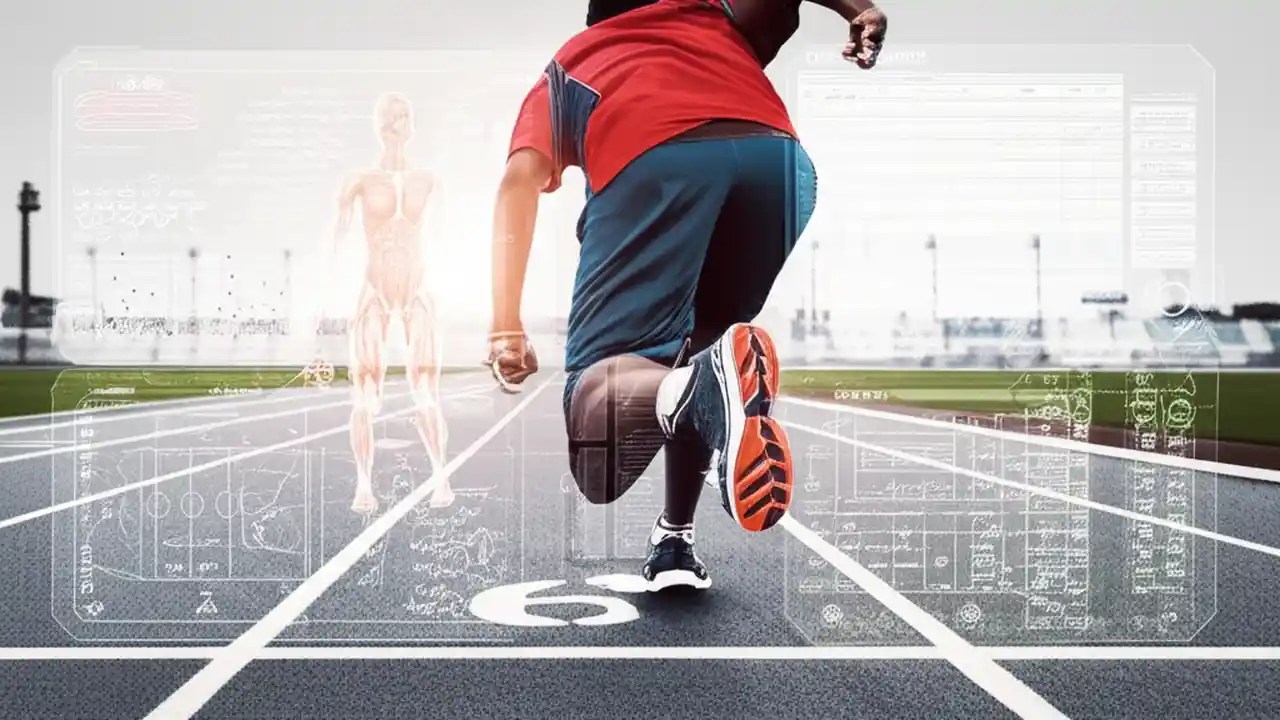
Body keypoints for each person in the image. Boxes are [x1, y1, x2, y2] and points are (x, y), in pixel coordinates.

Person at [487, 0, 886, 590]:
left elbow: (520, 180)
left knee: (599, 422)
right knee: (702, 354)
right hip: (776, 163)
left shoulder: (576, 59)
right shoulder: (718, 18)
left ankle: (695, 387)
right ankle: (674, 537)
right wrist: (862, 9)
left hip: (657, 159)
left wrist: (504, 325)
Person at [328, 92, 453, 515]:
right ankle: (364, 483)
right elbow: (337, 241)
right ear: (378, 124)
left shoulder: (430, 180)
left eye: (402, 115)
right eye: (388, 116)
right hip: (374, 288)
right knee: (364, 392)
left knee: (425, 388)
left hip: (417, 287)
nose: (395, 123)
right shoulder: (360, 181)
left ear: (411, 124)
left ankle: (440, 477)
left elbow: (450, 235)